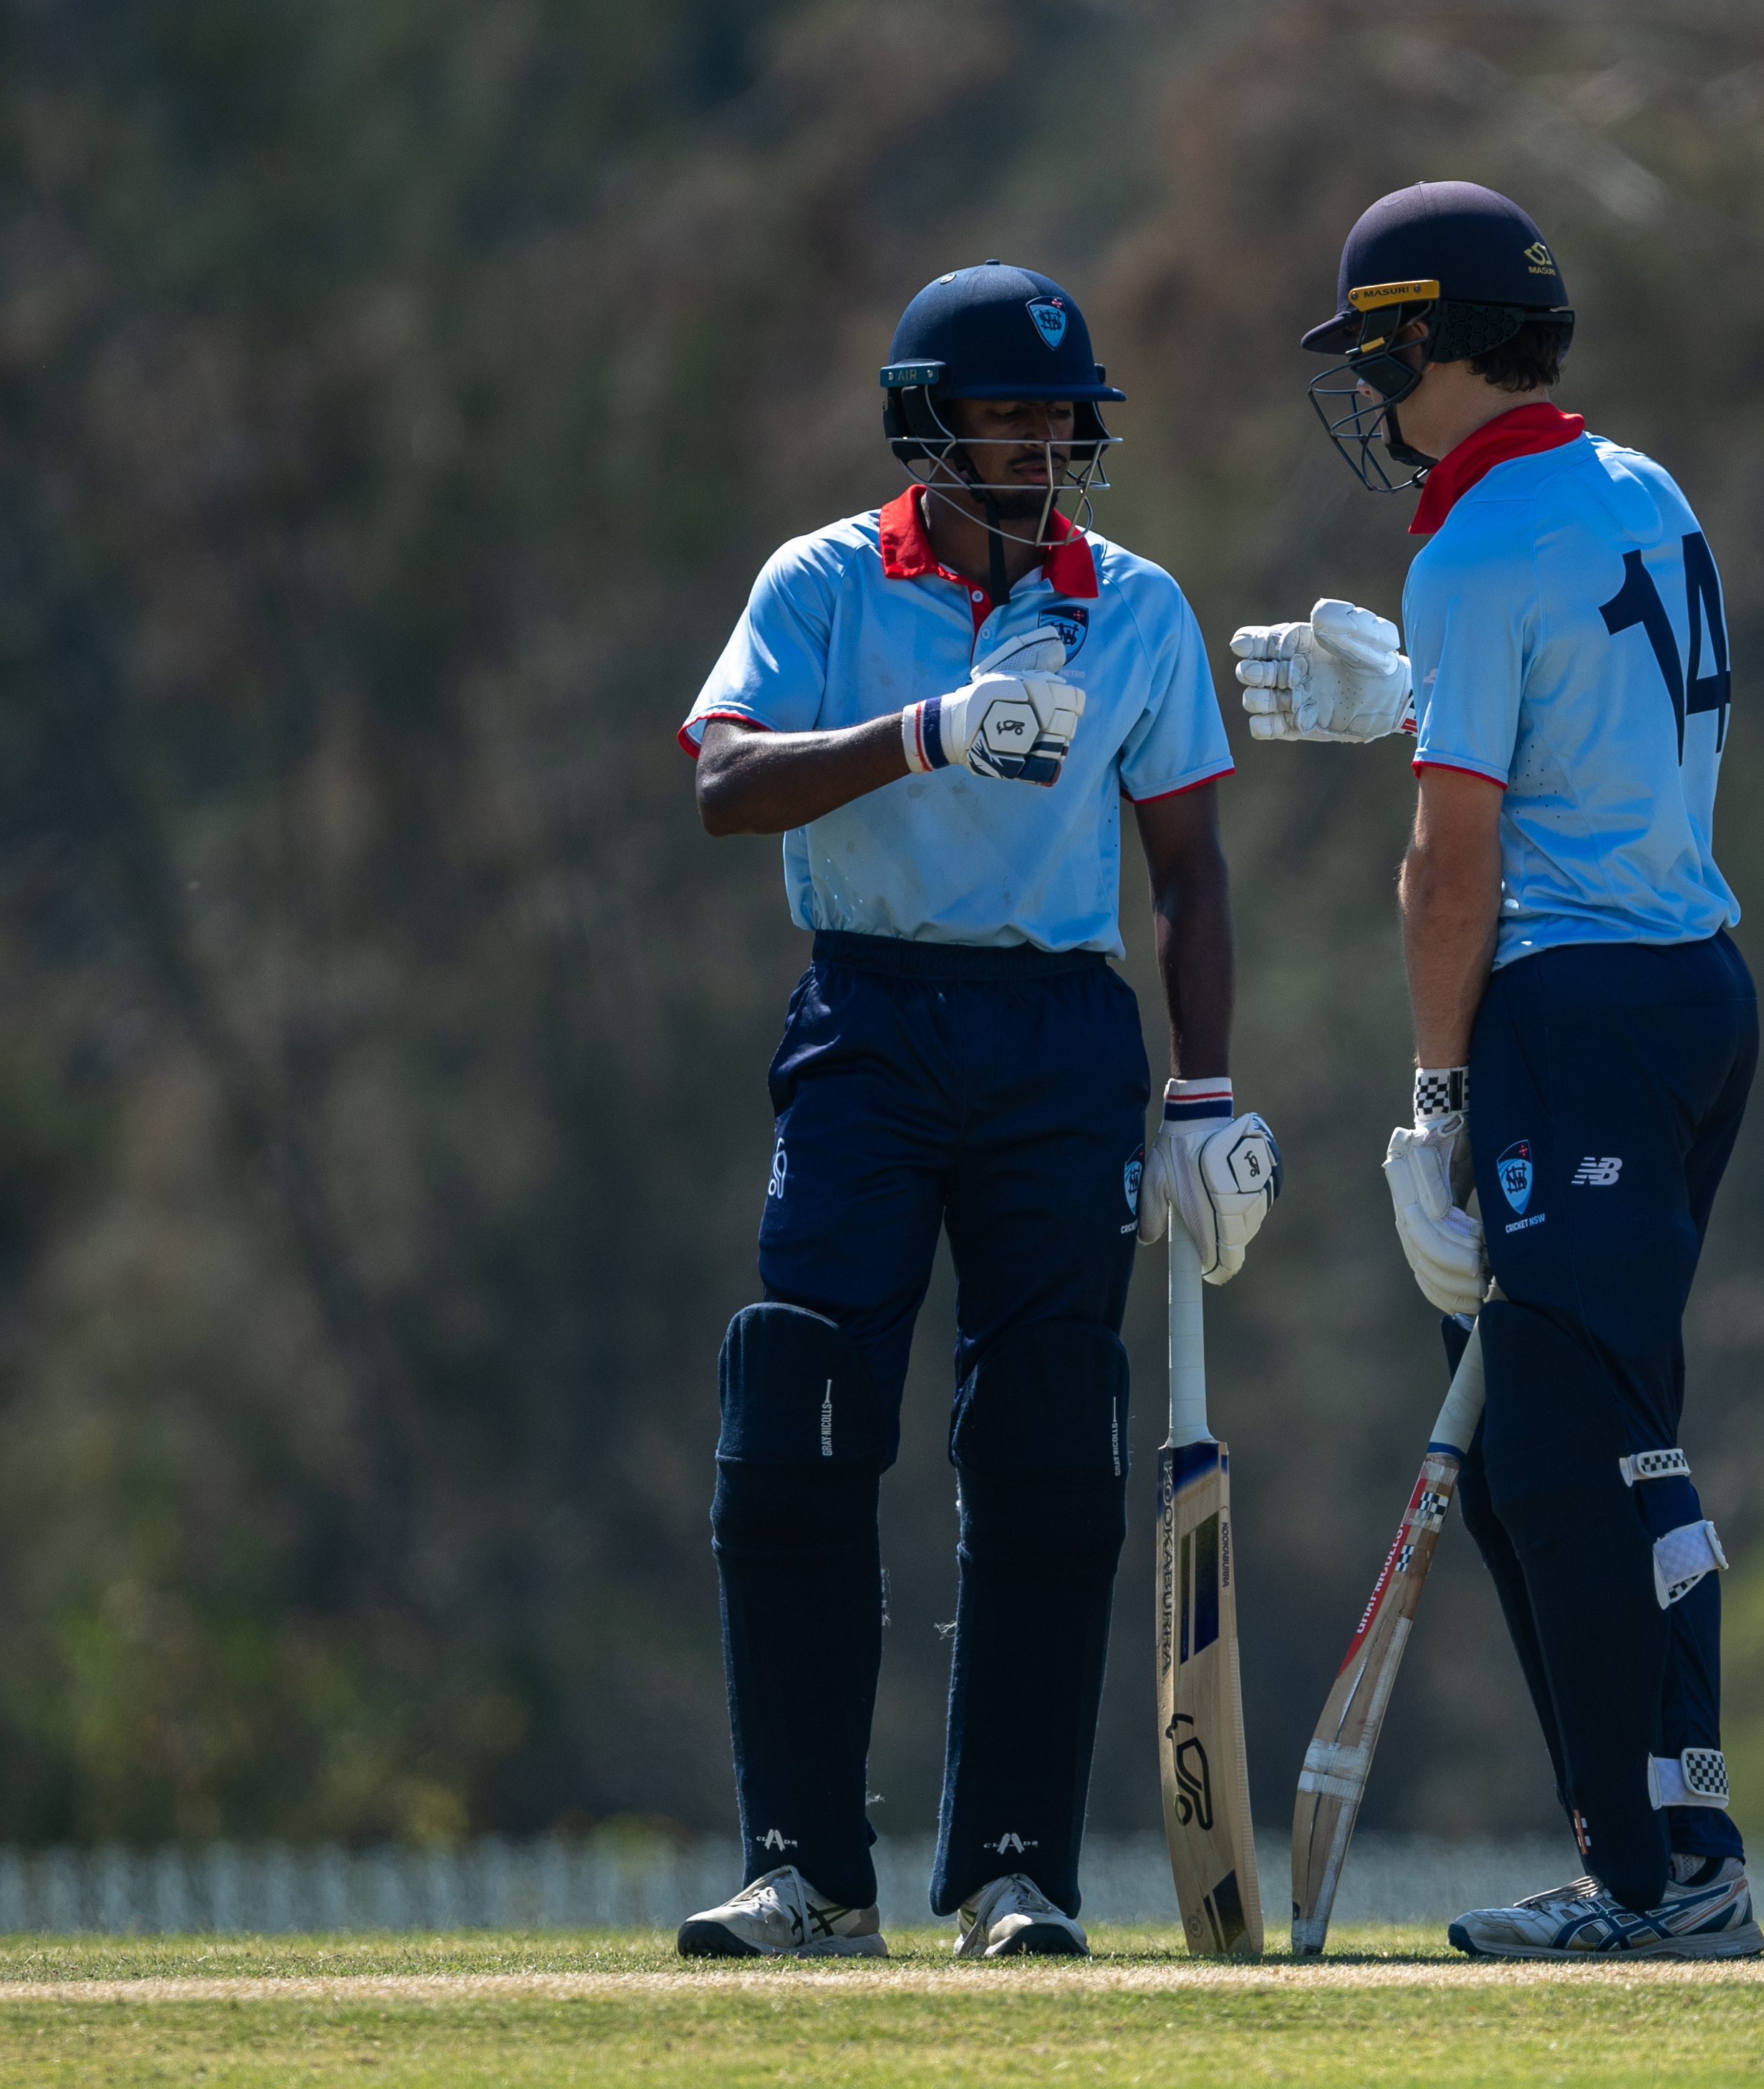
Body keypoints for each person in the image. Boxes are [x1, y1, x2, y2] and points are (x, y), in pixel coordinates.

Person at [673, 261, 1278, 1959]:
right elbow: (726, 785)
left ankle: (1014, 1867)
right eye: (1007, 412)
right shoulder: (823, 579)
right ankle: (805, 1868)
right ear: (927, 422)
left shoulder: (1136, 604)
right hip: (867, 1017)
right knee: (800, 1410)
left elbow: (1189, 869)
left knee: (1044, 1443)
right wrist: (925, 731)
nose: (1042, 442)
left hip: (1057, 1034)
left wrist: (1204, 1089)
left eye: (1062, 415)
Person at [1235, 183, 1762, 1961]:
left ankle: (1662, 1875)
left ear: (1425, 343)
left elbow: (1449, 869)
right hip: (1690, 994)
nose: (1373, 397)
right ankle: (1654, 1844)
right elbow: (1593, 725)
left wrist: (1436, 1106)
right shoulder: (1639, 487)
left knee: (1562, 1454)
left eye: (1379, 356)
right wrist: (1418, 694)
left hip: (1574, 1010)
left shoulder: (1468, 550)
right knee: (1594, 1442)